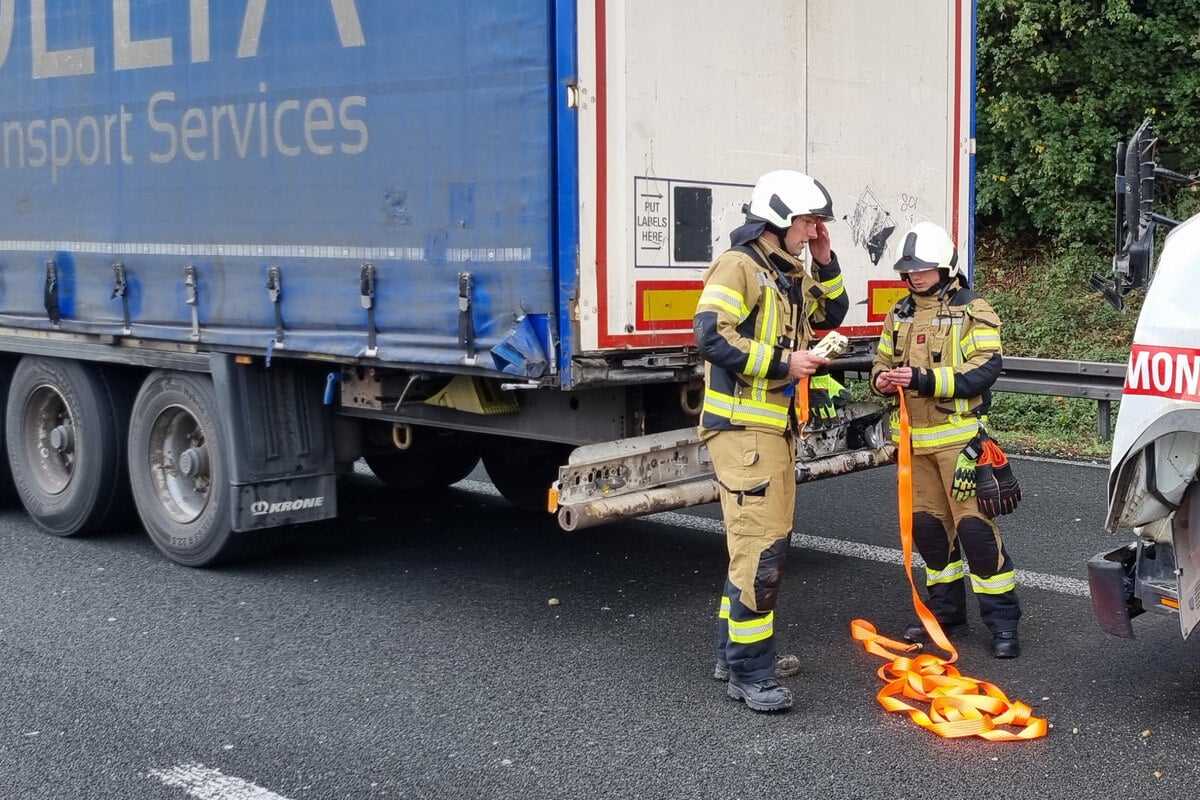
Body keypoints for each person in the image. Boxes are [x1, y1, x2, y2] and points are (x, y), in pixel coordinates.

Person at [693, 170, 849, 712]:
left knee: (752, 547)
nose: (811, 232)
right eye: (808, 223)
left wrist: (826, 261)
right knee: (762, 553)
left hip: (769, 431)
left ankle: (731, 655)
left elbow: (832, 313)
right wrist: (788, 362)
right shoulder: (740, 267)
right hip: (743, 432)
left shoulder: (786, 271)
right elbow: (712, 336)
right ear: (779, 219)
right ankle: (749, 673)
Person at [869, 221, 1022, 658]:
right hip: (913, 446)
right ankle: (947, 616)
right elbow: (880, 361)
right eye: (910, 269)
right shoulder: (898, 313)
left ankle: (1004, 625)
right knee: (930, 533)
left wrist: (922, 379)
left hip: (960, 445)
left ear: (946, 268)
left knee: (975, 532)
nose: (916, 276)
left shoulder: (975, 309)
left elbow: (985, 368)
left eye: (924, 268)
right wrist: (880, 379)